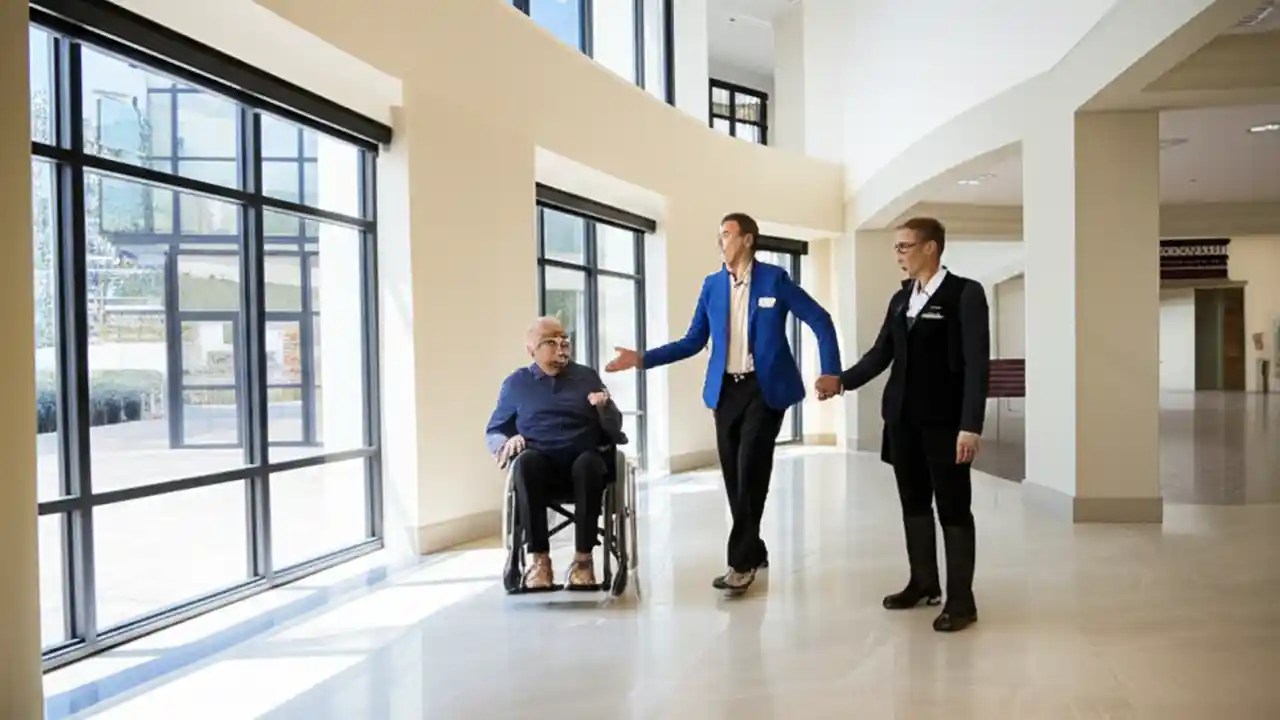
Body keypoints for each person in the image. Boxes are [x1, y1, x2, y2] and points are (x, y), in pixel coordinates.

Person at [607, 213, 841, 593]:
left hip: (766, 390)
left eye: (727, 234)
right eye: (718, 235)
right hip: (726, 392)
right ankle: (756, 546)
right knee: (734, 475)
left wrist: (832, 370)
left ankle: (740, 563)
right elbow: (693, 341)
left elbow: (820, 319)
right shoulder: (712, 286)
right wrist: (642, 358)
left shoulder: (775, 280)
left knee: (751, 467)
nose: (721, 242)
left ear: (747, 240)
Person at [815, 217, 989, 632]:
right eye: (896, 247)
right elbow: (881, 353)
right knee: (913, 503)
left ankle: (961, 602)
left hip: (946, 425)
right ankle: (924, 582)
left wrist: (971, 425)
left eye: (905, 247)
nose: (899, 254)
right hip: (903, 422)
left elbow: (977, 366)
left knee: (953, 508)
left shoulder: (964, 294)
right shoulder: (901, 299)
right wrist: (842, 381)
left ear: (931, 248)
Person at [486, 317, 627, 591]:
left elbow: (614, 426)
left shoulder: (586, 377)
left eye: (565, 341)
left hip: (584, 464)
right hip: (541, 468)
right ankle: (540, 562)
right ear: (531, 350)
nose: (561, 348)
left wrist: (604, 407)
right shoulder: (517, 383)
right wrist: (506, 440)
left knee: (588, 464)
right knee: (525, 463)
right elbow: (495, 429)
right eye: (551, 342)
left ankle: (583, 562)